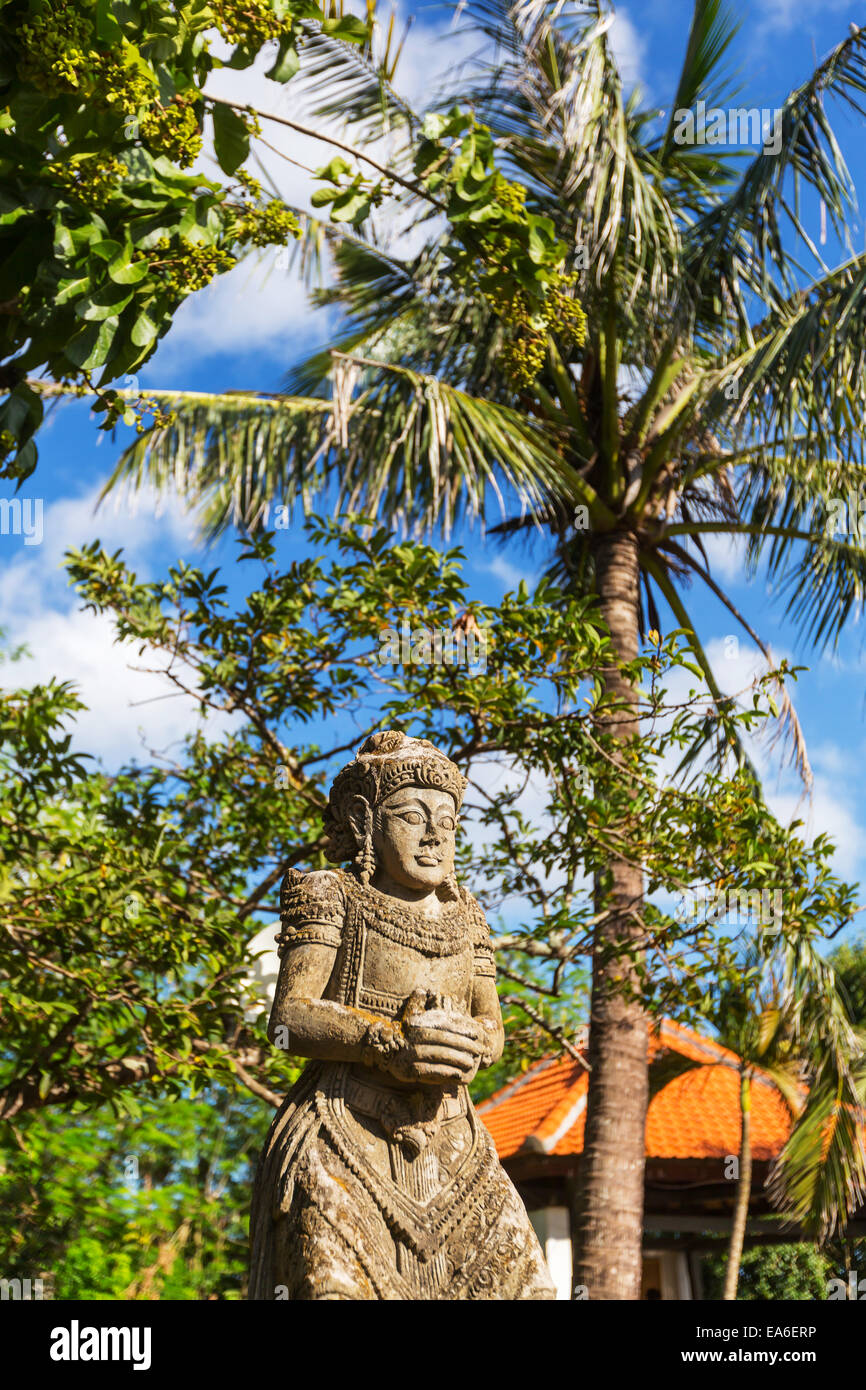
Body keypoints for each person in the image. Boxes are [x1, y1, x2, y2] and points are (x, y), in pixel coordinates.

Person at [248, 729, 555, 1300]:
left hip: (453, 1140)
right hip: (345, 1129)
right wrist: (387, 1043)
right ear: (365, 819)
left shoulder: (469, 918)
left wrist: (469, 1041)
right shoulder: (329, 895)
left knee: (530, 1286)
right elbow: (289, 1019)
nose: (436, 835)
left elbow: (493, 1031)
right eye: (414, 816)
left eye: (449, 821)